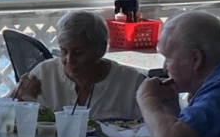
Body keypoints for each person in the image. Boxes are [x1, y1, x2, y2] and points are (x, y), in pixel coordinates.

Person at [14, 10, 144, 119]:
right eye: (64, 51)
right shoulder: (45, 73)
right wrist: (18, 93)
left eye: (78, 52)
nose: (69, 60)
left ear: (101, 49)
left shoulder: (130, 82)